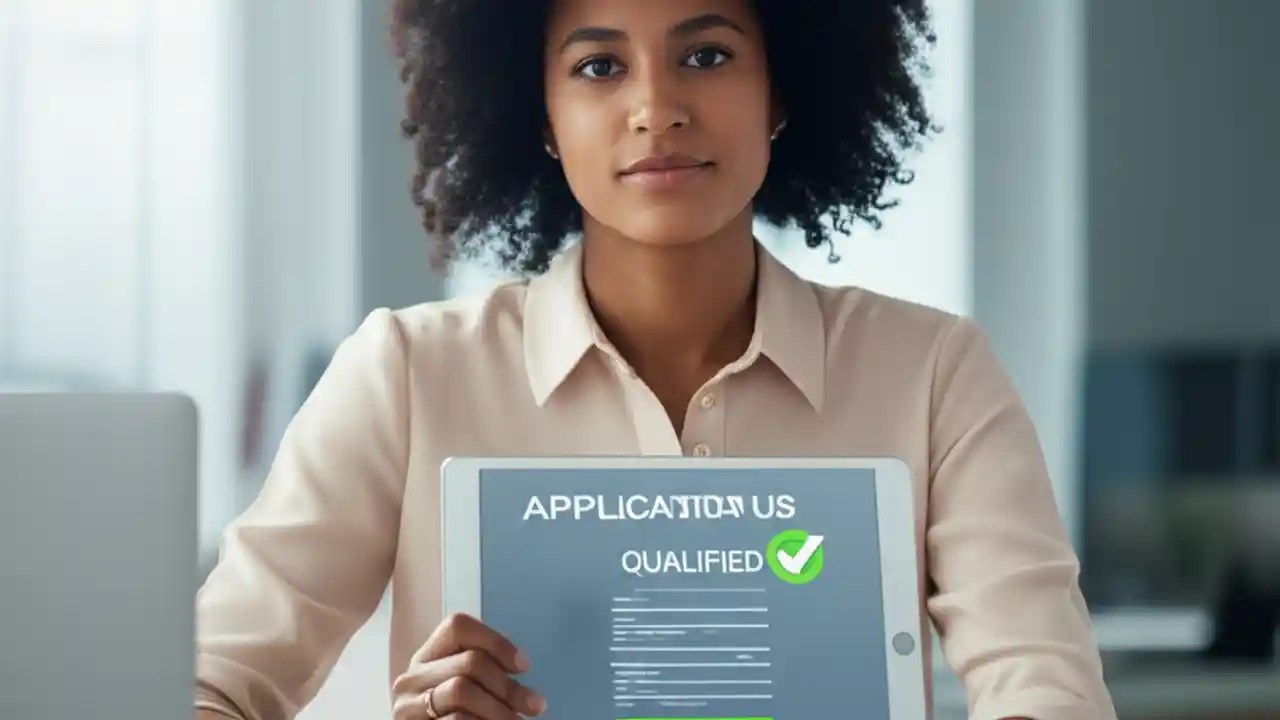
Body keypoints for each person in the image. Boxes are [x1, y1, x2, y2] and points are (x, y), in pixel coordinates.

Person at [194, 0, 1118, 718]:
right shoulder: (404, 373)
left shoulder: (933, 374)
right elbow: (210, 680)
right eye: (599, 66)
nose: (656, 108)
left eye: (707, 55)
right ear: (541, 114)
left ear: (782, 88)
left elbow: (1047, 687)